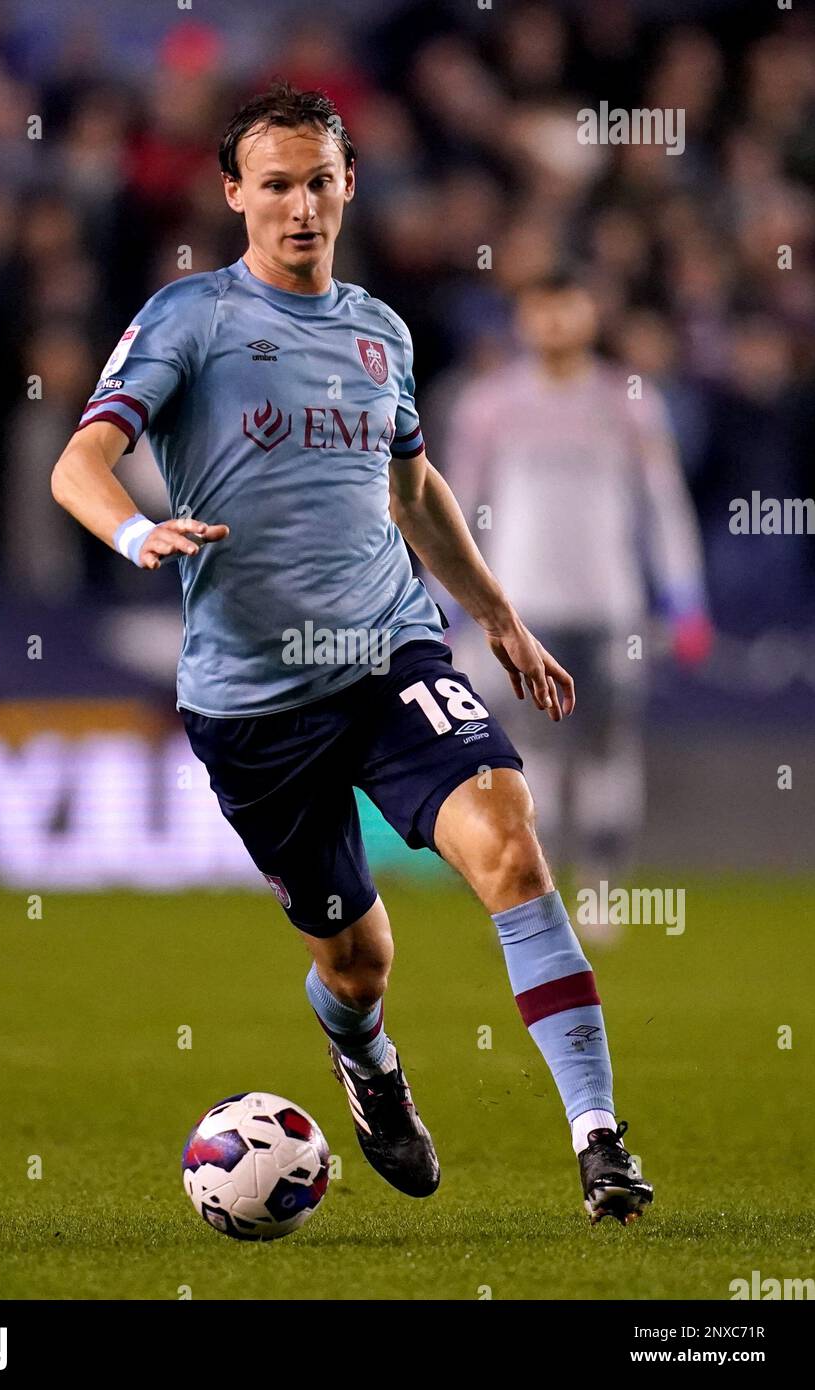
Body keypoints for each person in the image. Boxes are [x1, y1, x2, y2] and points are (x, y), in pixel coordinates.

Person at [51, 82, 652, 1226]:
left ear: (347, 186)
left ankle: (597, 1138)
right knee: (356, 960)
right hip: (250, 702)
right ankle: (367, 1062)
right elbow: (78, 460)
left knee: (510, 846)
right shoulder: (189, 319)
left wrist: (495, 614)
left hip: (387, 651)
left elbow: (412, 486)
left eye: (317, 181)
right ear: (233, 194)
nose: (298, 206)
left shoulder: (381, 331)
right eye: (273, 185)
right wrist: (134, 529)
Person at [444, 274, 711, 891]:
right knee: (521, 752)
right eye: (543, 309)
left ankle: (602, 890)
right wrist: (449, 601)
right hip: (519, 609)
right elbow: (454, 509)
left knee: (607, 748)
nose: (556, 322)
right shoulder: (488, 403)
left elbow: (662, 504)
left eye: (568, 308)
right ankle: (535, 891)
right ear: (523, 319)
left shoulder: (629, 401)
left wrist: (684, 595)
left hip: (608, 607)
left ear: (591, 314)